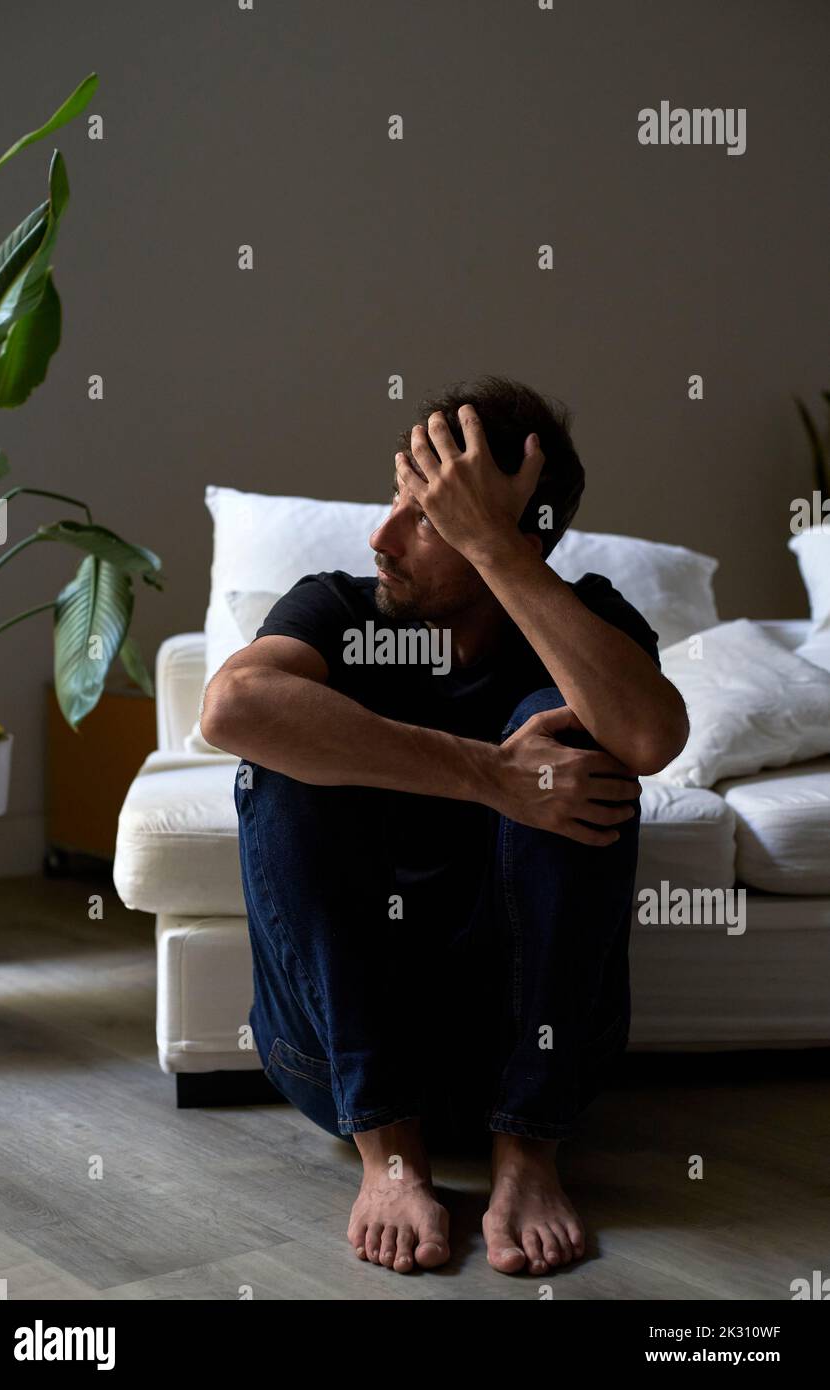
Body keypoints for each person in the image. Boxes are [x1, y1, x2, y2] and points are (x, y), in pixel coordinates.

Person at [201, 375, 689, 1277]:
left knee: (584, 737)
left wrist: (497, 551)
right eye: (397, 499)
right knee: (287, 740)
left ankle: (529, 1151)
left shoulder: (590, 621)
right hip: (341, 1066)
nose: (382, 536)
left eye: (426, 517)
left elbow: (652, 736)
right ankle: (389, 1155)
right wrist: (494, 778)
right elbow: (232, 708)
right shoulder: (342, 612)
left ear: (513, 534)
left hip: (520, 1061)